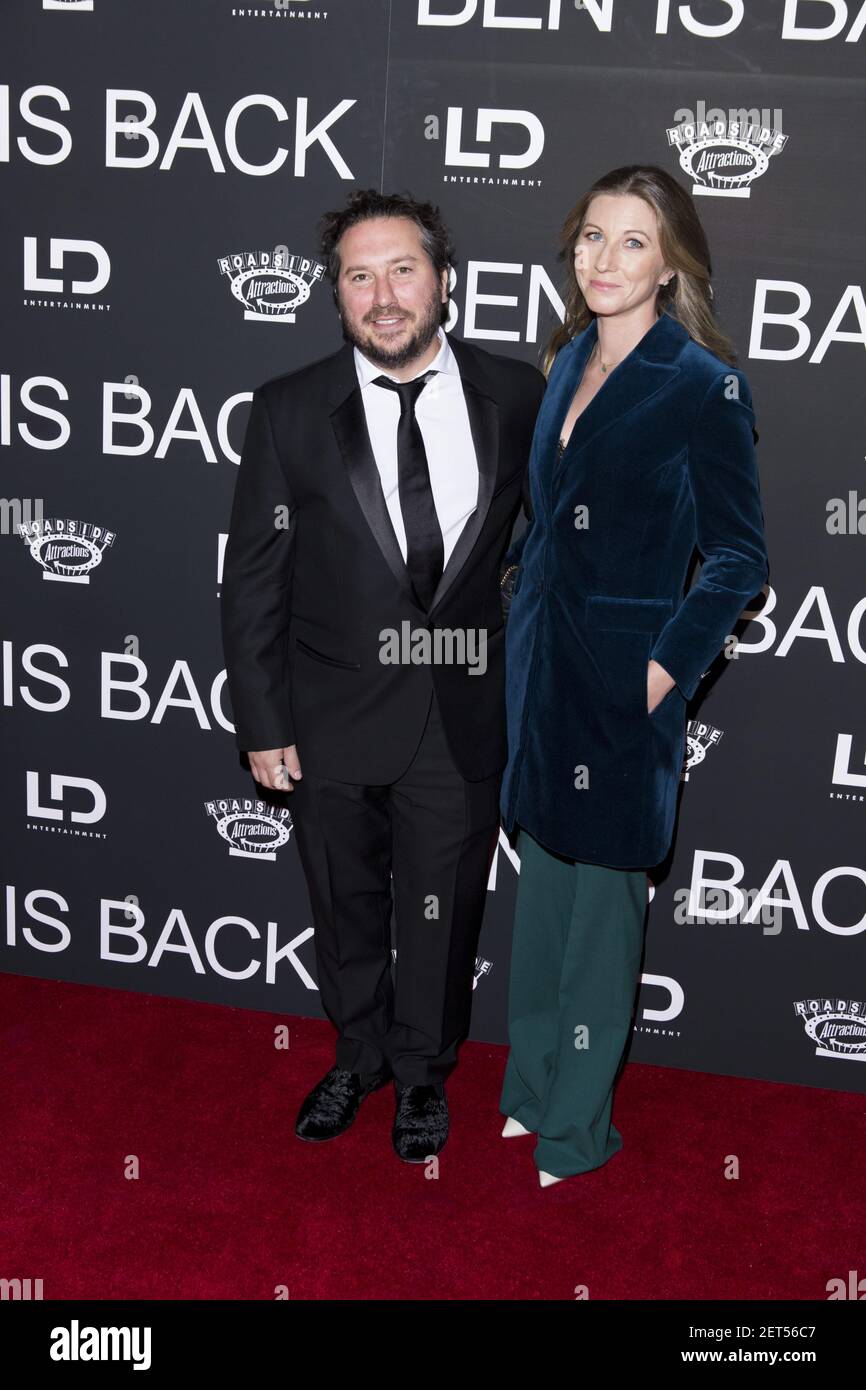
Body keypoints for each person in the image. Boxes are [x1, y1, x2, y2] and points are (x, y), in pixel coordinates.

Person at [220, 189, 545, 1163]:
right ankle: (355, 1053)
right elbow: (253, 582)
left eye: (401, 268)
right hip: (327, 715)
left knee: (442, 915)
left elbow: (555, 544)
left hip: (458, 711)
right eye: (358, 276)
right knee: (343, 900)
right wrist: (263, 719)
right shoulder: (286, 410)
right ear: (337, 297)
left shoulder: (515, 396)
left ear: (441, 279)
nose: (382, 294)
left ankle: (420, 1073)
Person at [498, 165, 770, 1187]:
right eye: (590, 237)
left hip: (622, 684)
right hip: (539, 674)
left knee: (602, 922)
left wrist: (663, 669)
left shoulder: (703, 386)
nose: (601, 259)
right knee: (540, 908)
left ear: (669, 265)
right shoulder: (565, 358)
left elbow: (740, 557)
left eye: (630, 241)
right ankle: (528, 1091)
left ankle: (575, 1132)